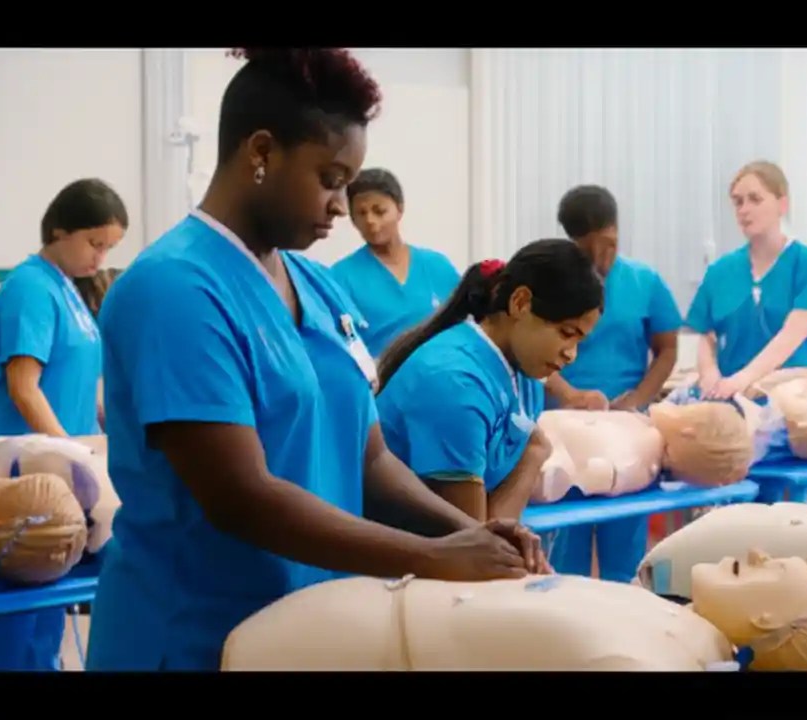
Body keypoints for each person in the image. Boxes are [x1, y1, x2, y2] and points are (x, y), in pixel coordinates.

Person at [84, 48, 546, 673]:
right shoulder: (174, 290)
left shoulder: (316, 284)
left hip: (310, 629)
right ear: (262, 153)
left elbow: (370, 457)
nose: (341, 206)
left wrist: (466, 530)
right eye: (330, 179)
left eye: (348, 185)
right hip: (194, 636)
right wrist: (430, 557)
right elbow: (240, 496)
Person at [0, 177, 127, 672]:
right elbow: (24, 387)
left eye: (108, 248)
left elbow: (79, 384)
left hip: (59, 466)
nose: (99, 258)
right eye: (94, 243)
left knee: (48, 606)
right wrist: (75, 456)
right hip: (20, 472)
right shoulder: (29, 286)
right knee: (17, 607)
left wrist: (114, 432)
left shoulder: (71, 292)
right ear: (59, 230)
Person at [374, 239, 604, 528]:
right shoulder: (453, 382)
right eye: (566, 333)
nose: (571, 354)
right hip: (402, 556)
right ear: (520, 303)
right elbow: (473, 542)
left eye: (580, 340)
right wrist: (533, 455)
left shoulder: (524, 372)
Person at [542, 185, 681, 583]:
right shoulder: (553, 284)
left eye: (609, 246)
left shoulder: (644, 282)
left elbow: (667, 350)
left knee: (625, 553)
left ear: (617, 232)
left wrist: (637, 399)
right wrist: (569, 395)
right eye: (589, 251)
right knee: (565, 551)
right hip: (566, 432)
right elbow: (527, 351)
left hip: (626, 431)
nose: (601, 259)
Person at [685, 160, 807, 400]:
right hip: (730, 399)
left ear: (782, 204)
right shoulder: (720, 272)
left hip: (793, 402)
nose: (744, 209)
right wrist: (709, 374)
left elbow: (790, 336)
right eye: (738, 202)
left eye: (755, 199)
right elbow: (705, 336)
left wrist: (742, 380)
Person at [330, 168, 461, 357]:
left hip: (443, 377)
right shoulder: (340, 278)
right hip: (384, 383)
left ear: (399, 209)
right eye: (361, 213)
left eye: (379, 211)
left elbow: (465, 325)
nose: (370, 221)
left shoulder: (437, 267)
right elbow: (340, 349)